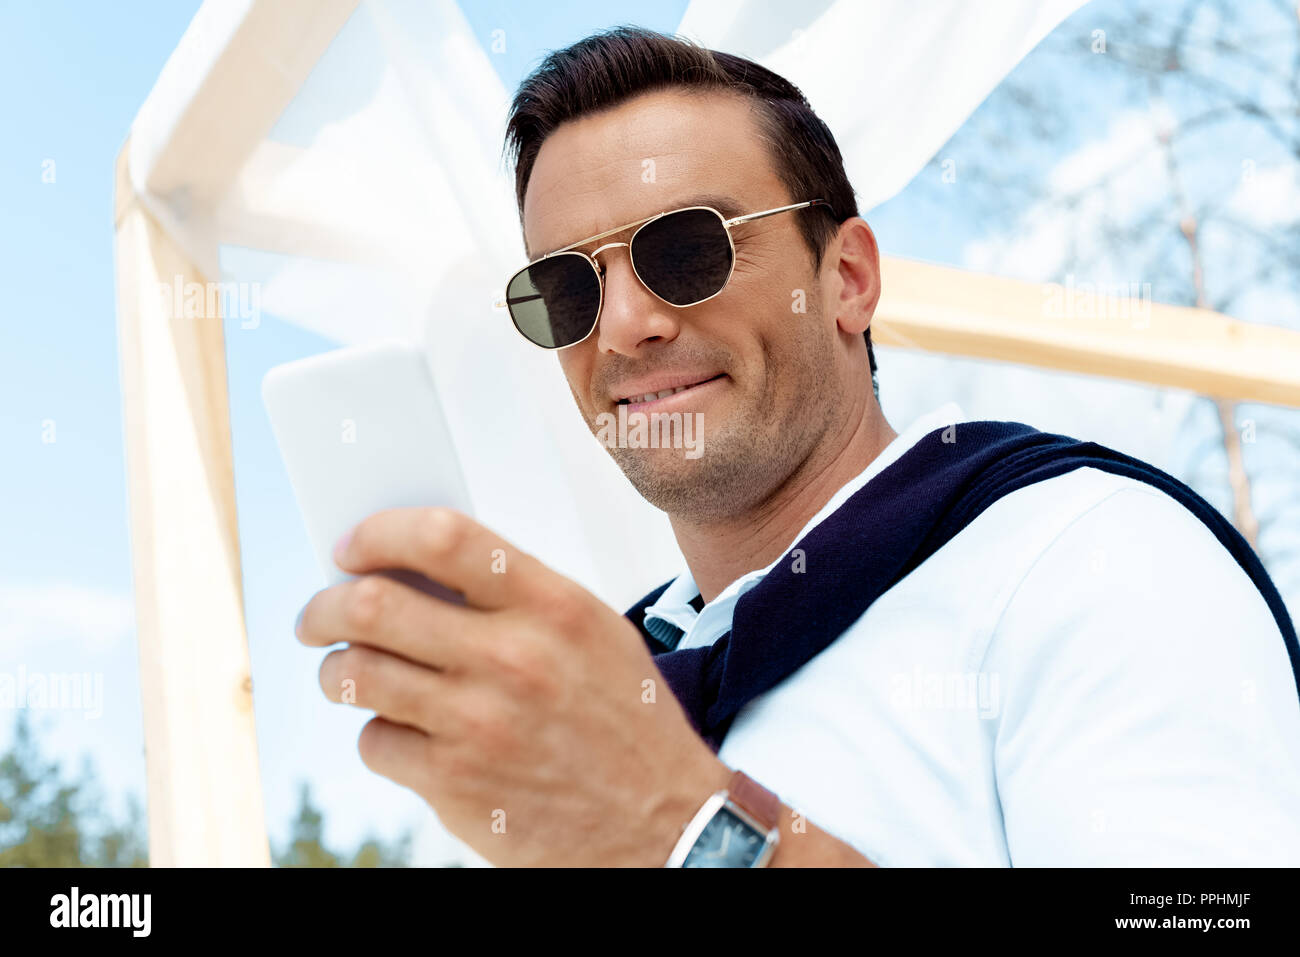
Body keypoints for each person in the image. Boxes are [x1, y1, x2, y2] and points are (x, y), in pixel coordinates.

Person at [295, 26, 1300, 866]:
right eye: (564, 291)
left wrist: (681, 830)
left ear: (848, 277)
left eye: (686, 248)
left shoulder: (1087, 563)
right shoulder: (585, 700)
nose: (622, 326)